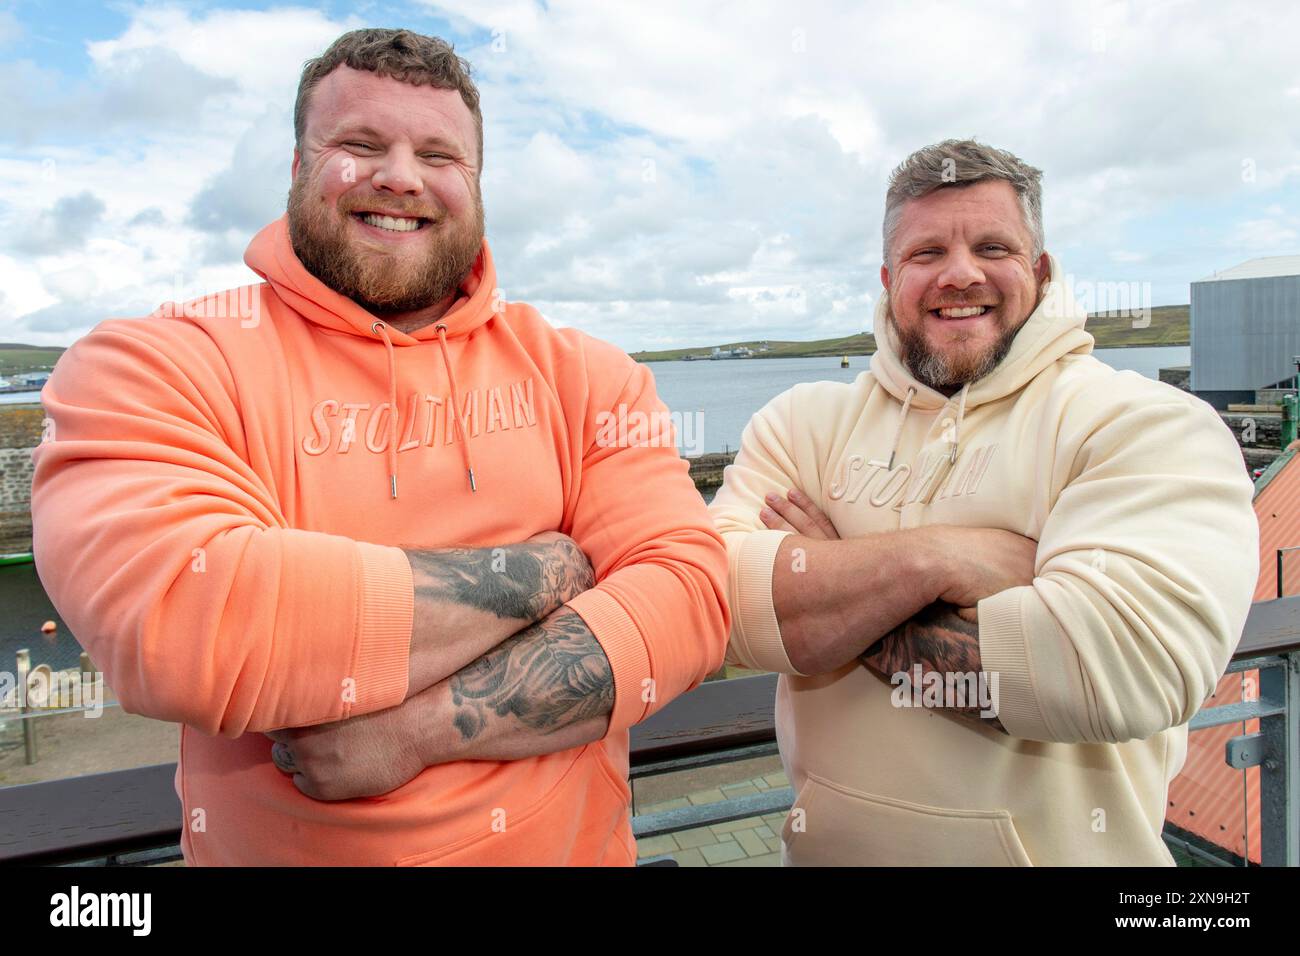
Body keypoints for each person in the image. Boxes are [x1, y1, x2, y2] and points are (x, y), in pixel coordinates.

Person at [31, 28, 728, 866]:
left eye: (438, 154)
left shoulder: (589, 376)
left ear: (474, 185)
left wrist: (416, 731)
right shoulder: (158, 362)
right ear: (296, 170)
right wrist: (550, 570)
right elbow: (186, 626)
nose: (401, 176)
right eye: (360, 145)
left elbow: (689, 598)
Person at [708, 139, 1259, 866]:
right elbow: (711, 603)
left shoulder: (1141, 424)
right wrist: (938, 560)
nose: (960, 273)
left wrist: (828, 582)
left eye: (991, 246)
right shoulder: (799, 424)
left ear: (1038, 269)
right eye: (926, 252)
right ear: (888, 277)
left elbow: (1115, 672)